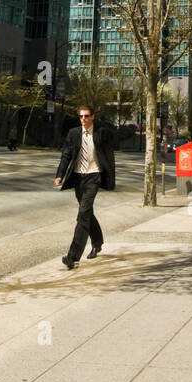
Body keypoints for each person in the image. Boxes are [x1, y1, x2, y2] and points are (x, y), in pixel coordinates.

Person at [55, 106, 116, 270]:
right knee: (86, 212)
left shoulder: (101, 133)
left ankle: (73, 257)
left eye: (86, 116)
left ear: (93, 117)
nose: (83, 119)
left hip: (94, 176)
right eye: (81, 116)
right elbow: (66, 155)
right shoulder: (74, 133)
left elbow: (110, 151)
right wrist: (60, 175)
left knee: (83, 213)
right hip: (78, 177)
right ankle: (97, 242)